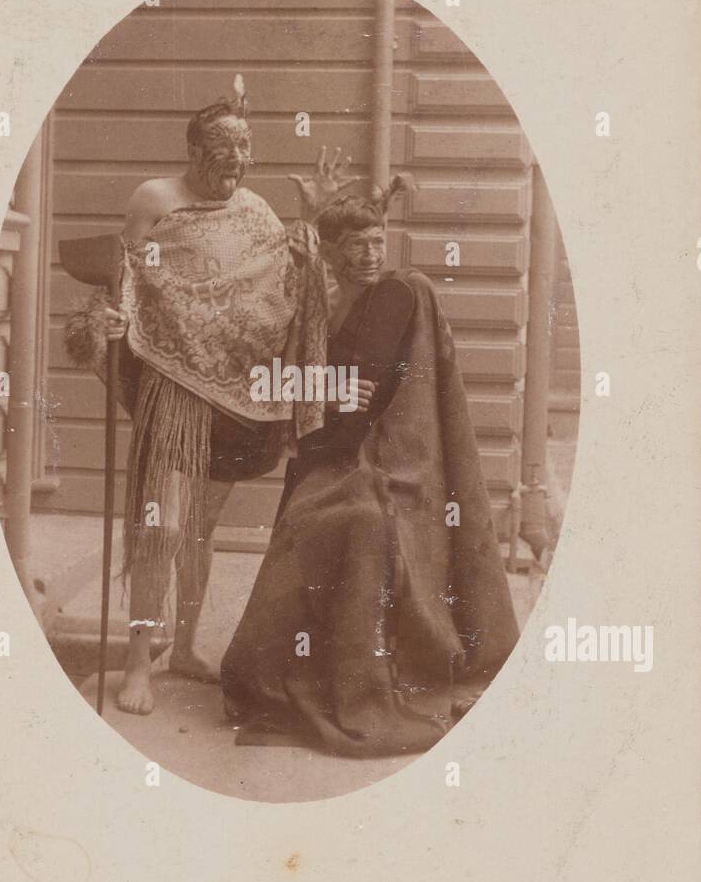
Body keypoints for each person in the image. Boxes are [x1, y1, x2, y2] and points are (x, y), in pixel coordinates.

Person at [65, 85, 368, 715]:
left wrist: (309, 222)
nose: (236, 162)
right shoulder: (155, 198)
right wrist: (112, 323)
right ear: (194, 148)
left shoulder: (256, 210)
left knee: (201, 532)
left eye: (245, 151)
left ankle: (186, 649)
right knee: (161, 528)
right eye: (223, 150)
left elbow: (282, 284)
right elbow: (131, 274)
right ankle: (138, 661)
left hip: (236, 396)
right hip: (173, 388)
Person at [220, 184, 520, 758]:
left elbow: (370, 392)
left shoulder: (394, 296)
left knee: (346, 517)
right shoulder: (320, 306)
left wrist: (330, 433)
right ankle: (283, 668)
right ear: (330, 253)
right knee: (316, 518)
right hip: (330, 444)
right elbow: (292, 382)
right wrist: (318, 403)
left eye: (377, 241)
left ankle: (350, 673)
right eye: (355, 245)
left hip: (380, 452)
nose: (370, 254)